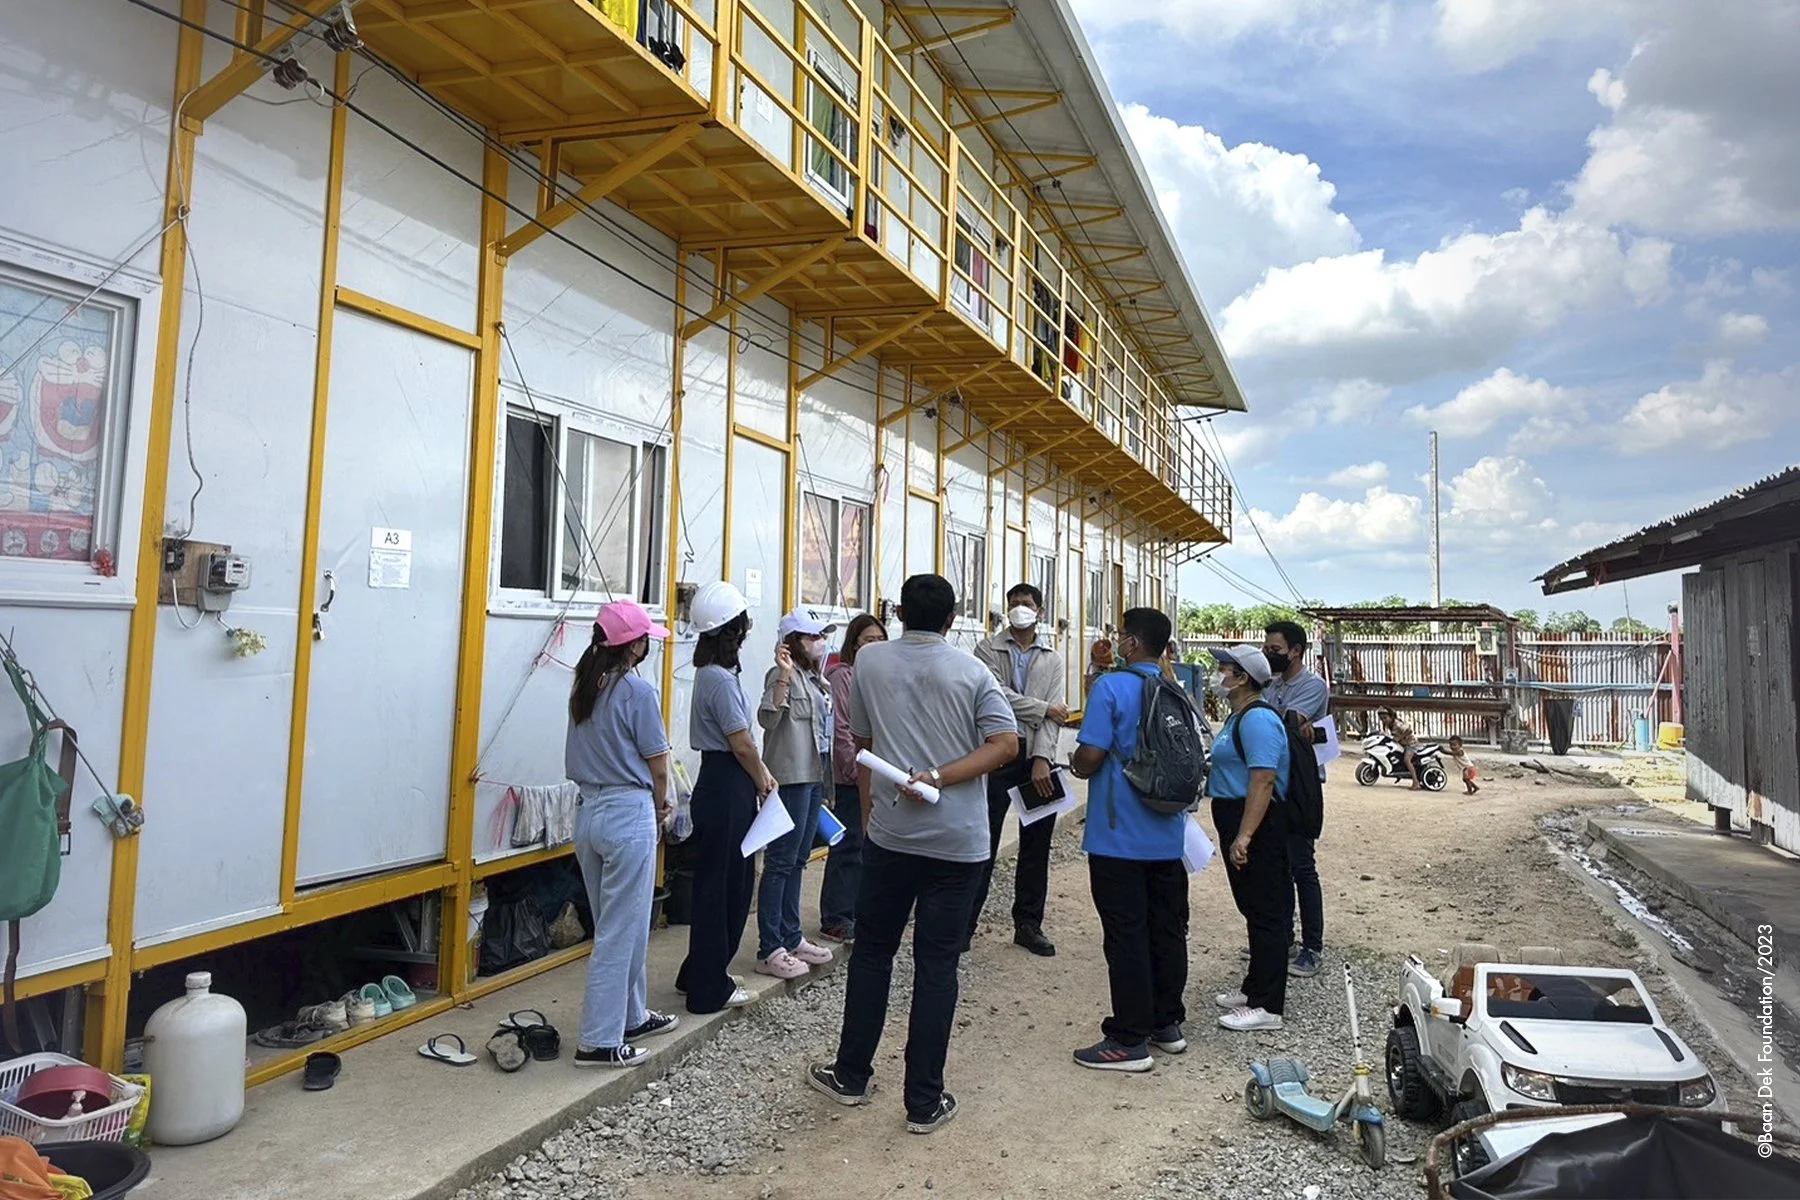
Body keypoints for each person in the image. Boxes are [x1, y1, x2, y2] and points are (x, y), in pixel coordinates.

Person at [806, 574, 1019, 1135]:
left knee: (873, 954)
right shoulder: (973, 672)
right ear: (952, 619)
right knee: (937, 966)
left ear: (899, 614)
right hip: (959, 843)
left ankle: (851, 1075)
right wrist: (942, 776)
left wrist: (872, 811)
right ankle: (923, 1100)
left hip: (892, 837)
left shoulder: (871, 661)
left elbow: (865, 743)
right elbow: (1006, 744)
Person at [1067, 607, 1195, 1072]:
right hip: (1168, 834)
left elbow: (1091, 755)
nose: (1119, 641)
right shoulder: (1175, 689)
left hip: (1117, 835)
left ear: (1133, 643)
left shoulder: (1111, 687)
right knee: (1166, 929)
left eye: (1123, 635)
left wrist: (1076, 764)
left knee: (1125, 936)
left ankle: (1128, 1039)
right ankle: (1166, 1023)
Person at [565, 601, 681, 1067]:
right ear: (633, 645)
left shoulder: (584, 687)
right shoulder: (637, 691)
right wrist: (663, 803)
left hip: (588, 811)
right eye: (645, 639)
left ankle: (631, 1016)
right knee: (622, 931)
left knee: (616, 924)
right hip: (628, 811)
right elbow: (658, 764)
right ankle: (598, 1040)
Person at [676, 581, 779, 1015]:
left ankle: (698, 972)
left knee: (718, 884)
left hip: (719, 781)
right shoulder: (719, 680)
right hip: (727, 782)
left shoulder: (711, 674)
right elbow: (741, 743)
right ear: (734, 631)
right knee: (727, 888)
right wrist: (762, 778)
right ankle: (708, 987)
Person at [968, 583, 1068, 957]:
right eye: (1013, 603)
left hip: (1037, 758)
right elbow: (996, 697)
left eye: (1026, 603)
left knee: (1036, 846)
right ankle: (965, 923)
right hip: (995, 753)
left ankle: (1028, 924)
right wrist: (1043, 708)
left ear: (1039, 610)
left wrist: (1043, 758)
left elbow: (1057, 717)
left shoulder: (1052, 658)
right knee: (983, 839)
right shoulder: (987, 649)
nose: (1019, 609)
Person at [1208, 644, 1292, 1033]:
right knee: (1253, 907)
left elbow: (1263, 779)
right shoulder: (1239, 716)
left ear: (1242, 678)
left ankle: (1268, 1005)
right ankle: (1254, 987)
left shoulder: (1257, 719)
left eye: (1225, 669)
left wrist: (1244, 835)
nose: (1219, 675)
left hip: (1257, 820)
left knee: (1267, 910)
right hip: (1236, 814)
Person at [754, 610, 839, 980]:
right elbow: (768, 719)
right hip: (789, 778)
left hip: (814, 775)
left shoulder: (816, 679)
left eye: (821, 635)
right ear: (792, 642)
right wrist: (784, 675)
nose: (820, 642)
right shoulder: (780, 675)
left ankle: (791, 936)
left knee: (799, 859)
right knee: (780, 861)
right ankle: (770, 947)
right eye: (811, 636)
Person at [1262, 620, 1331, 979]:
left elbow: (1285, 723)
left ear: (1296, 651)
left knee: (1302, 865)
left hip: (1301, 785)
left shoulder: (1312, 686)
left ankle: (1312, 947)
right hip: (1274, 782)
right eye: (1266, 649)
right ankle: (1284, 938)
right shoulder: (1272, 684)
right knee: (1278, 865)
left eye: (1275, 650)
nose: (1268, 655)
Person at [820, 613, 887, 943]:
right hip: (852, 775)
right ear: (854, 644)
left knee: (867, 844)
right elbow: (843, 728)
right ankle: (836, 916)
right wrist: (853, 769)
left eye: (880, 641)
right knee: (847, 845)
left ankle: (857, 909)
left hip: (878, 771)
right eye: (868, 641)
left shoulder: (881, 677)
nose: (875, 646)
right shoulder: (843, 676)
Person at [1379, 707, 1421, 789]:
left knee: (1407, 760)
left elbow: (1409, 730)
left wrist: (1399, 738)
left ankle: (1416, 783)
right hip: (1402, 744)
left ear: (1391, 716)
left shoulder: (1397, 724)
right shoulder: (1388, 725)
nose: (1383, 720)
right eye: (1381, 719)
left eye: (1385, 718)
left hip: (1411, 744)